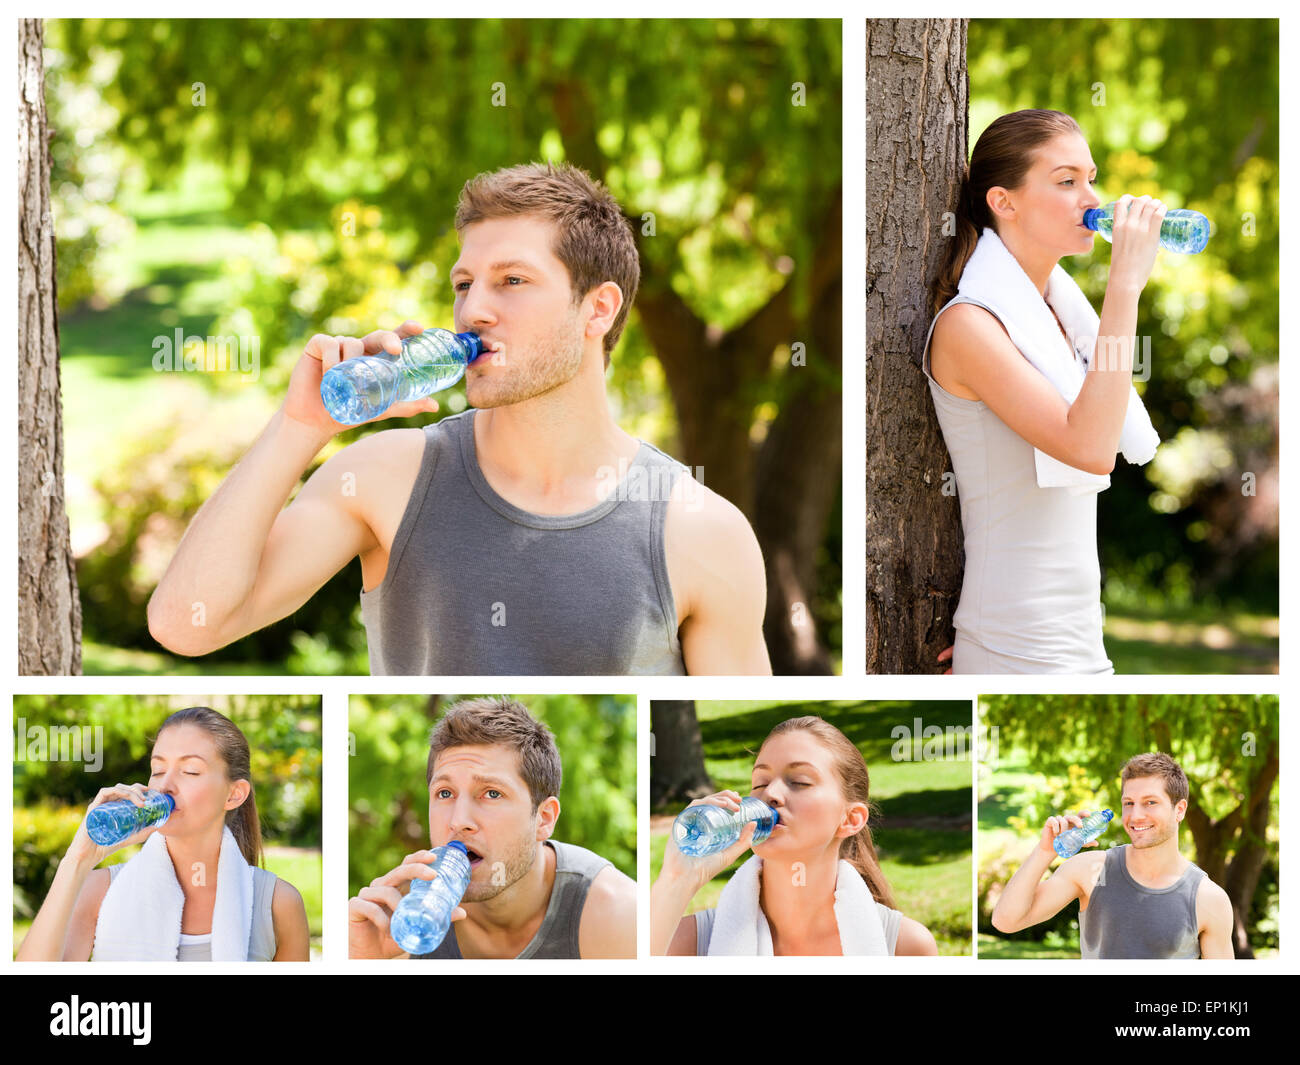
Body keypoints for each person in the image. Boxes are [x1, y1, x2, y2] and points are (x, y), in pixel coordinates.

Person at [147, 162, 770, 676]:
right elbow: (186, 625)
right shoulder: (383, 477)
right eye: (464, 282)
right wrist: (299, 428)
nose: (473, 309)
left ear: (598, 309)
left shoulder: (703, 531)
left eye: (512, 281)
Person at [923, 109, 1168, 674]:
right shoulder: (970, 326)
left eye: (1090, 178)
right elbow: (1089, 447)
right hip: (1014, 642)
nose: (1090, 197)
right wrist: (1125, 285)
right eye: (1066, 181)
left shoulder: (1058, 314)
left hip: (1077, 634)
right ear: (1003, 202)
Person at [348, 697, 635, 959]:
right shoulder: (403, 926)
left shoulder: (616, 916)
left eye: (492, 793)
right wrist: (363, 960)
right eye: (445, 793)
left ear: (544, 818)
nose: (458, 821)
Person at [17, 706, 310, 962]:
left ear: (234, 795)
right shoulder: (100, 890)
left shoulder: (277, 903)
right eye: (157, 770)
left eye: (191, 771)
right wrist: (78, 859)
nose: (165, 785)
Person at [650, 715, 937, 956]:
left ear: (850, 819)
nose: (771, 794)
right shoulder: (687, 943)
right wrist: (677, 879)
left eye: (799, 782)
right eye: (760, 782)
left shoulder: (904, 947)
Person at [990, 751, 1233, 959]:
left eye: (1150, 802)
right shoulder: (1091, 870)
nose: (1136, 815)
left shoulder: (1209, 899)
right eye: (1129, 803)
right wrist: (1044, 852)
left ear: (1179, 809)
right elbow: (1006, 921)